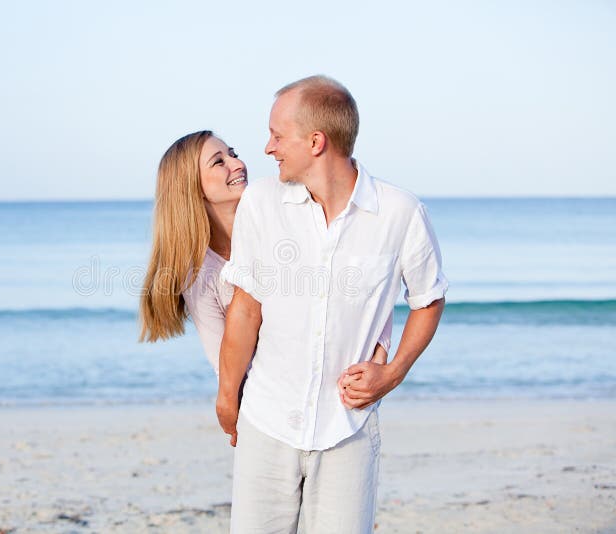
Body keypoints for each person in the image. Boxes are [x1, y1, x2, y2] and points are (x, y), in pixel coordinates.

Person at [216, 75, 448, 533]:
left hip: (350, 428)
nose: (267, 148)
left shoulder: (400, 212)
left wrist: (393, 371)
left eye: (277, 136)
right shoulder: (261, 202)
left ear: (316, 141)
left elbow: (429, 299)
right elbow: (246, 307)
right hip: (266, 420)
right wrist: (227, 396)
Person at [139, 129, 391, 376]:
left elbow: (364, 274)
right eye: (219, 162)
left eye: (232, 153)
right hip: (271, 400)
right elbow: (225, 368)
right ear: (192, 187)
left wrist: (380, 348)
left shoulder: (283, 215)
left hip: (338, 382)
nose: (237, 164)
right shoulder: (199, 274)